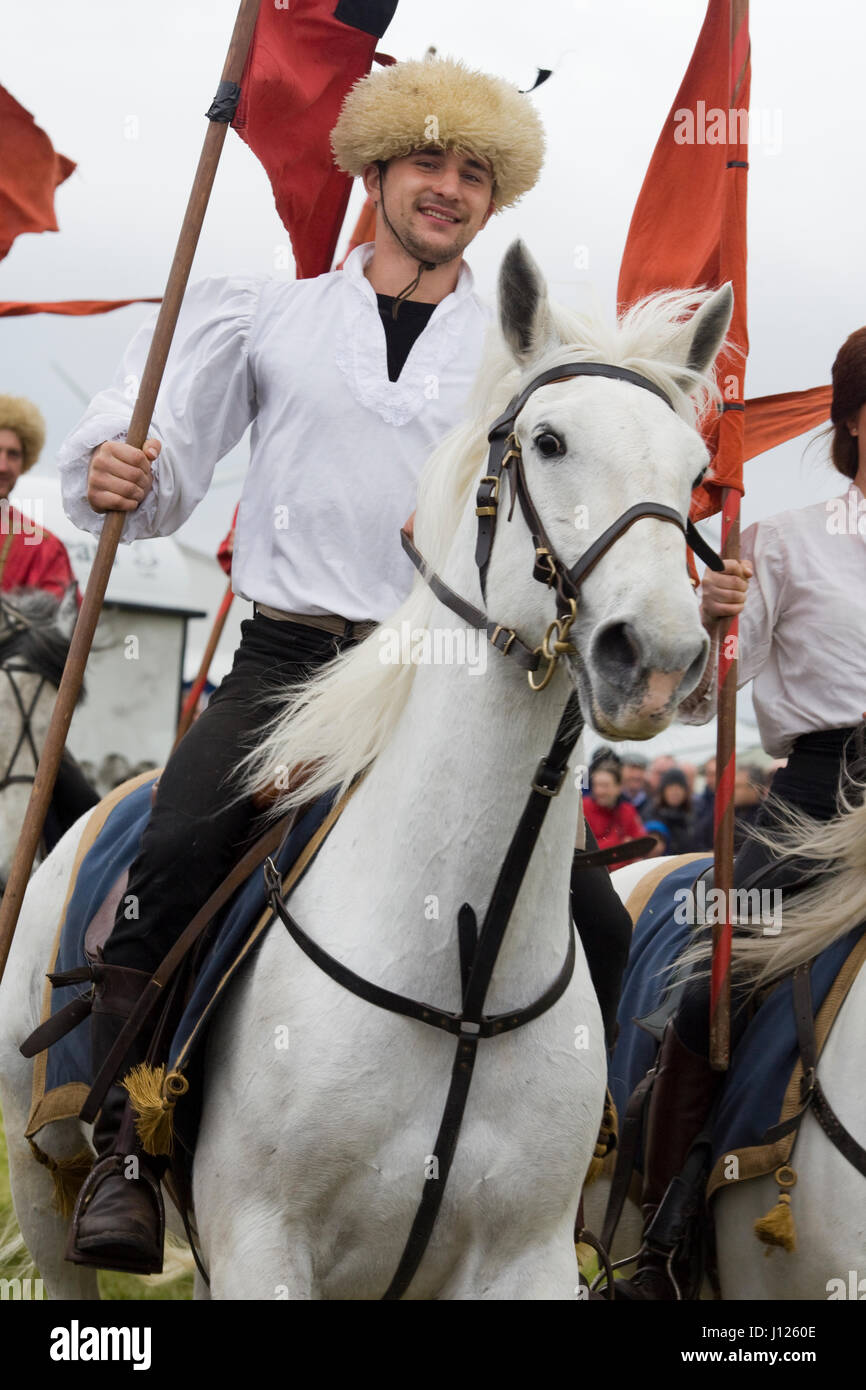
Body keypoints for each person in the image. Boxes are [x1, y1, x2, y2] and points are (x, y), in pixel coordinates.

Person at [57, 55, 633, 1275]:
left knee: (593, 912)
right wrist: (124, 472)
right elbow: (162, 465)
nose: (448, 187)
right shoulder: (266, 314)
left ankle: (596, 1153)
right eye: (426, 160)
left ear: (493, 198)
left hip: (452, 679)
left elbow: (593, 478)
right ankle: (128, 1139)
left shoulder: (520, 347)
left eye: (473, 172)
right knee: (171, 853)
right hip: (288, 663)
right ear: (374, 171)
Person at [615, 324, 866, 1300]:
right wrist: (706, 625)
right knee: (713, 979)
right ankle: (668, 1225)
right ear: (853, 420)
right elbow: (683, 709)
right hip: (815, 804)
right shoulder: (780, 544)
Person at [0, 395, 96, 843]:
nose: (3, 463)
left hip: (13, 711)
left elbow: (61, 636)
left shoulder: (43, 546)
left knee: (86, 815)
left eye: (13, 454)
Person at [0, 395, 79, 600]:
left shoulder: (44, 550)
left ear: (24, 462)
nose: (3, 466)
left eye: (13, 454)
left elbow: (65, 625)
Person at [583, 763, 646, 861]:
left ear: (619, 787)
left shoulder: (627, 810)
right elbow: (586, 852)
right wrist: (619, 843)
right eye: (596, 785)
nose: (599, 791)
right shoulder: (584, 808)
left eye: (605, 786)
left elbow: (642, 845)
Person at [647, 767, 694, 855]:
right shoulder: (650, 815)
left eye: (679, 787)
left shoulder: (692, 817)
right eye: (671, 787)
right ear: (663, 791)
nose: (675, 792)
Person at [689, 755, 715, 849]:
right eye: (708, 774)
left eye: (714, 774)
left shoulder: (735, 804)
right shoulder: (699, 803)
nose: (710, 779)